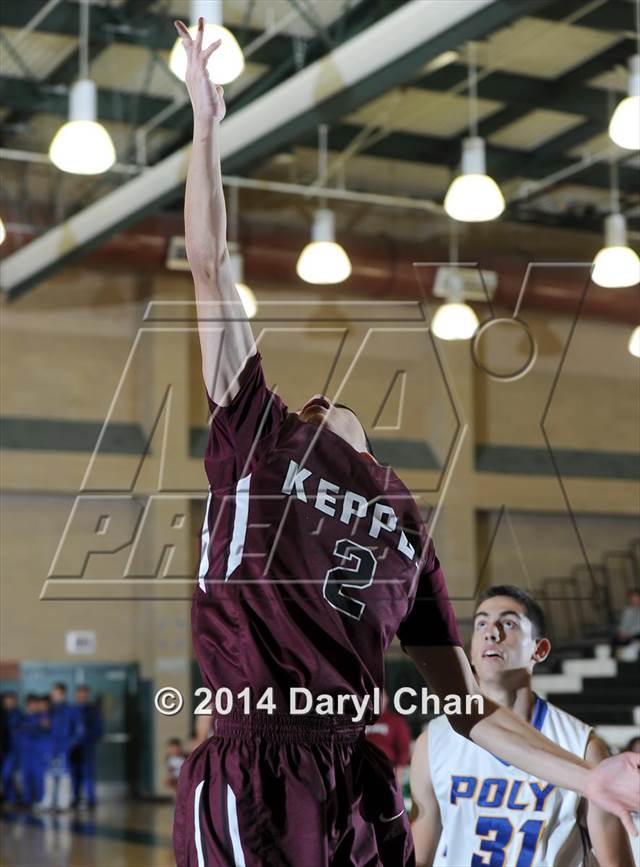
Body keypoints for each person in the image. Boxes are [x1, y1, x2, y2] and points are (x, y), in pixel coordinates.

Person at [172, 17, 639, 867]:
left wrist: (588, 780)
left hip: (356, 763)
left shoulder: (398, 516)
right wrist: (205, 127)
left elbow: (467, 705)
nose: (318, 399)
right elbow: (210, 265)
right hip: (257, 752)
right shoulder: (260, 435)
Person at [410, 585, 635, 866]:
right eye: (481, 623)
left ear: (539, 649)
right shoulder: (432, 741)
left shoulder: (584, 746)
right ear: (469, 651)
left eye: (508, 623)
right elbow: (419, 858)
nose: (491, 633)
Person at [40, 683, 77, 811]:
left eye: (55, 692)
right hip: (50, 747)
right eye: (52, 693)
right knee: (48, 776)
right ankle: (48, 802)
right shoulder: (49, 709)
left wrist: (69, 745)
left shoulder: (70, 709)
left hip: (64, 747)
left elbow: (78, 730)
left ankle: (64, 803)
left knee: (64, 776)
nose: (52, 695)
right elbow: (44, 727)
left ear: (62, 693)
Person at [365, 690, 412, 786]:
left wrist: (398, 775)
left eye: (381, 697)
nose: (377, 701)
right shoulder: (359, 721)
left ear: (387, 699)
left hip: (387, 771)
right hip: (361, 770)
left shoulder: (396, 721)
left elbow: (404, 750)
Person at [70, 685, 103, 809]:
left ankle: (91, 800)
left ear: (87, 695)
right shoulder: (72, 710)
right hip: (73, 748)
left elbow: (98, 730)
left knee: (88, 774)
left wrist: (89, 738)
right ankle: (76, 798)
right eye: (79, 695)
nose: (81, 697)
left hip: (87, 747)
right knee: (75, 774)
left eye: (84, 695)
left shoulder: (93, 710)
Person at [0, 691, 23, 805]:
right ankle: (9, 798)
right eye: (7, 702)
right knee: (5, 775)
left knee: (10, 774)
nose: (9, 704)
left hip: (15, 749)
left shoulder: (19, 714)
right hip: (4, 749)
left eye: (11, 701)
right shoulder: (3, 714)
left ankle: (14, 798)